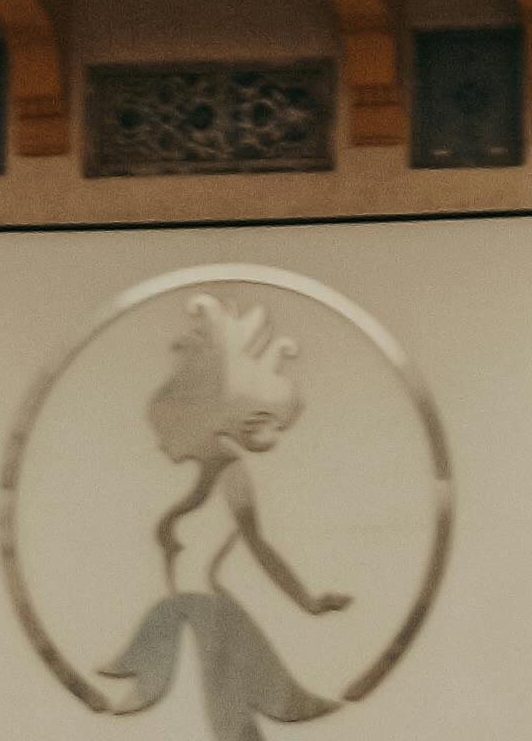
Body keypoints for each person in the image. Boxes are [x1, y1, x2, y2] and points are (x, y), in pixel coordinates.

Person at [96, 295, 352, 736]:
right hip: (196, 611)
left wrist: (308, 602)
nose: (160, 438)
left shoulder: (232, 474)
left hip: (210, 613)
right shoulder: (210, 474)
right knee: (228, 724)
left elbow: (260, 547)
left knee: (230, 725)